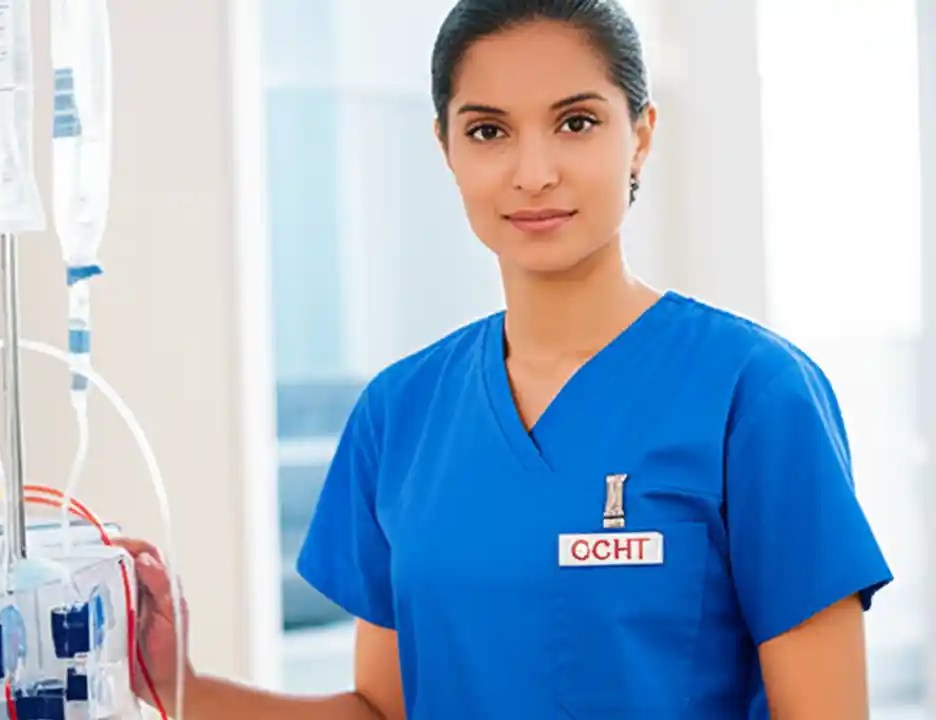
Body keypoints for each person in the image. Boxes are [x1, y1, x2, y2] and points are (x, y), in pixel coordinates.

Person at [117, 0, 893, 717]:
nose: (533, 172)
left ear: (642, 135)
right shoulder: (400, 415)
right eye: (489, 130)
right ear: (447, 149)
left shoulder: (752, 394)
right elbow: (383, 712)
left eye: (577, 123)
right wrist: (175, 680)